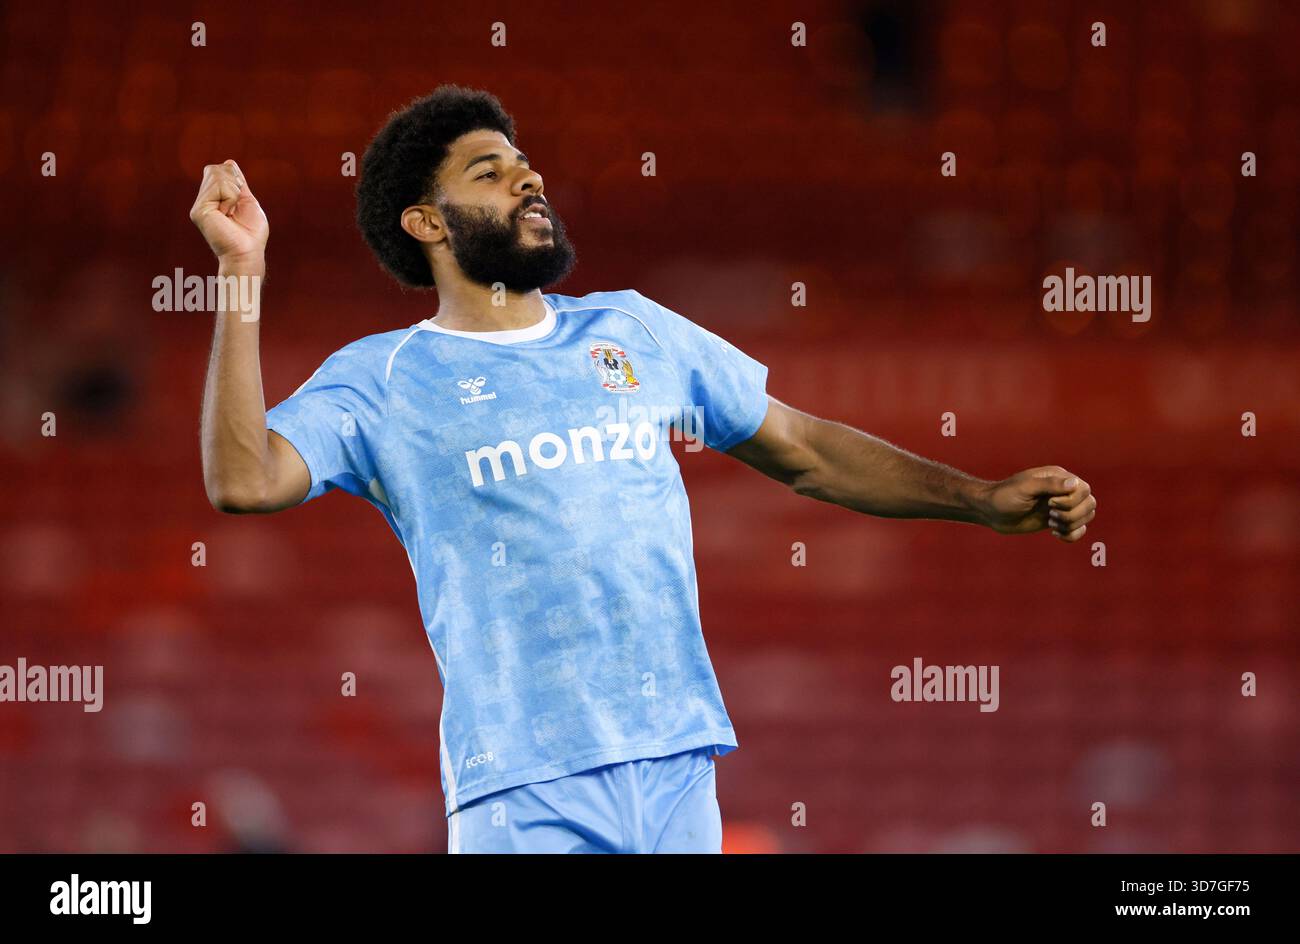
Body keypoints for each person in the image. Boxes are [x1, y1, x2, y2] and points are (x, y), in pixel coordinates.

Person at [190, 85, 1097, 853]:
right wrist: (242, 272)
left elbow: (809, 453)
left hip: (677, 768)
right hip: (522, 787)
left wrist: (979, 500)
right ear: (426, 222)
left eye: (524, 162)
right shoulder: (383, 378)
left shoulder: (631, 330)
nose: (527, 177)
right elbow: (244, 479)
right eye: (489, 171)